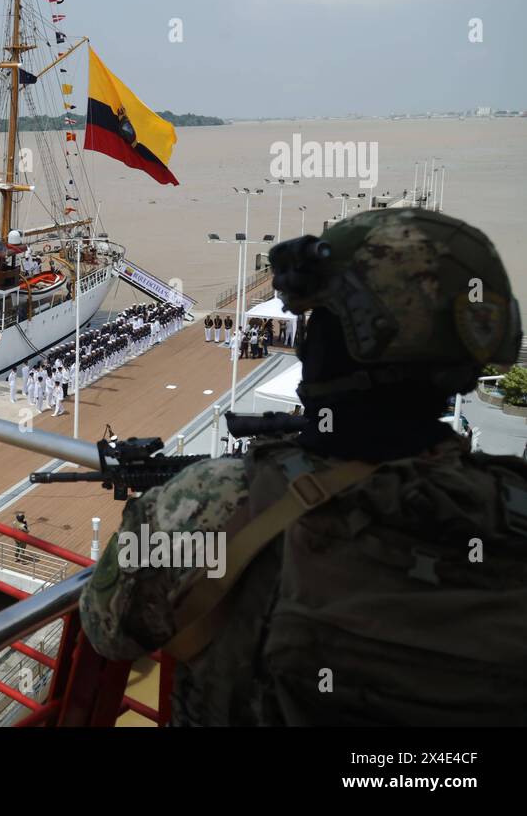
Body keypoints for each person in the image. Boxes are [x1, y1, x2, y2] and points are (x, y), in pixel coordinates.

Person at [80, 209, 527, 725]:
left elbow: (105, 628)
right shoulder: (510, 507)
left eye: (321, 325)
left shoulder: (207, 502)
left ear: (336, 346)